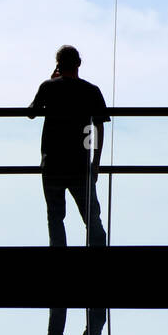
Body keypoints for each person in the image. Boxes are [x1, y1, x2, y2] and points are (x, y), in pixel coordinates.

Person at [28, 45, 110, 247]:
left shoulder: (49, 87)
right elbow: (98, 127)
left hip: (53, 162)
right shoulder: (91, 91)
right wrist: (95, 162)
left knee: (55, 217)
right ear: (79, 63)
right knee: (92, 217)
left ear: (58, 65)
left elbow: (31, 112)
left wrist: (51, 80)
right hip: (80, 163)